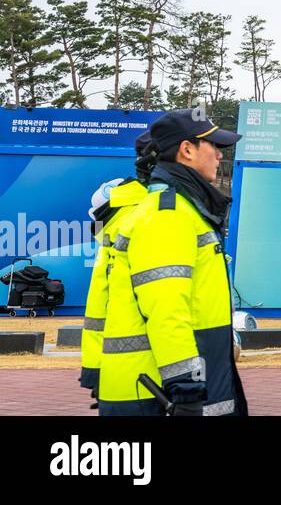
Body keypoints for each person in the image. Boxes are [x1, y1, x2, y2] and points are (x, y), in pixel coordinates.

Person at [97, 107, 248, 416]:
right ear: (187, 150)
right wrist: (186, 387)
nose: (220, 156)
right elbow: (167, 308)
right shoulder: (169, 215)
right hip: (159, 398)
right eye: (214, 146)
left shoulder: (183, 210)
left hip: (156, 392)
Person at [78, 133, 153, 407]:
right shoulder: (150, 221)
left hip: (116, 376)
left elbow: (97, 309)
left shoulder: (111, 240)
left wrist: (93, 367)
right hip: (151, 377)